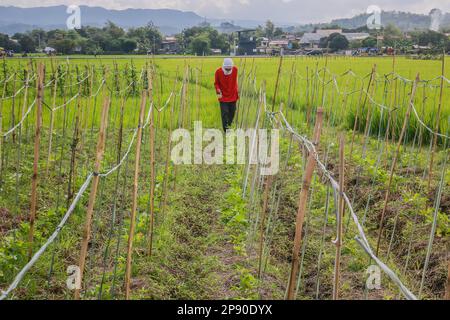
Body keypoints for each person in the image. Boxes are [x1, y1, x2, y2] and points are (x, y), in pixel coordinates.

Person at [214, 58, 239, 132]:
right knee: (225, 113)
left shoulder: (235, 70)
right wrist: (218, 90)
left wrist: (237, 89)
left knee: (233, 111)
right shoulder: (218, 72)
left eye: (229, 69)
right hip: (223, 96)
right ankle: (226, 130)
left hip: (233, 94)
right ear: (223, 67)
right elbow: (216, 83)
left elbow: (235, 82)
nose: (228, 70)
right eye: (227, 69)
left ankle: (229, 125)